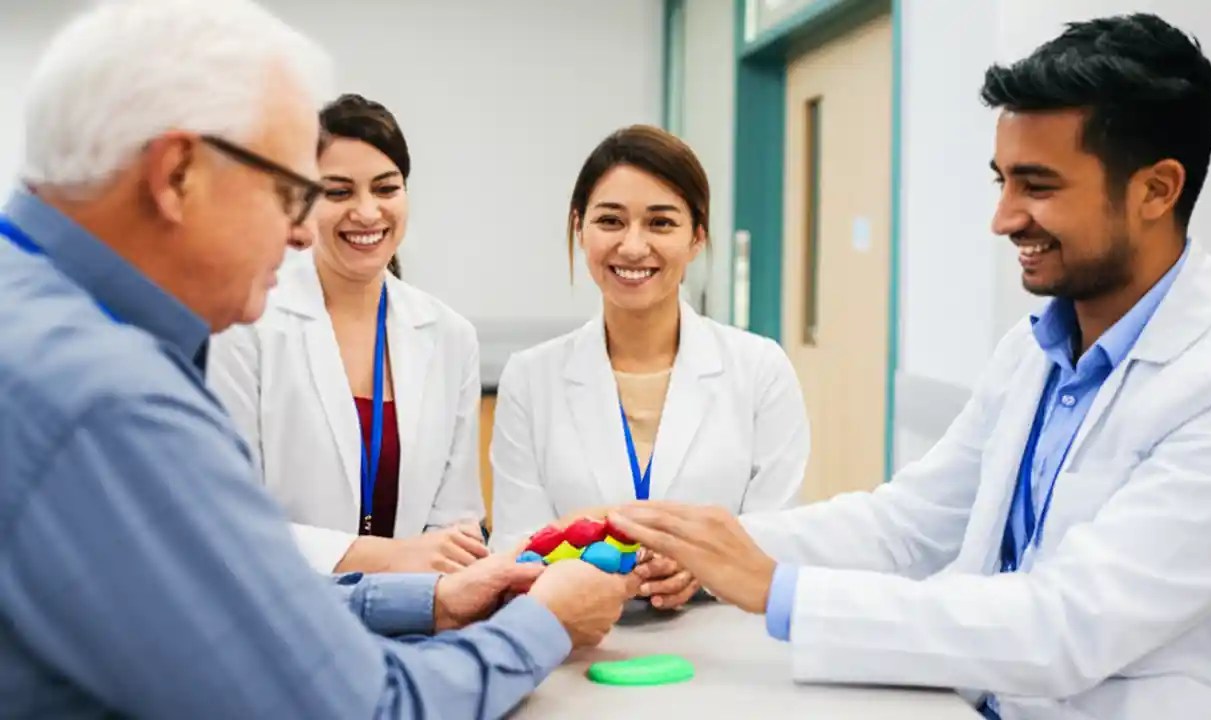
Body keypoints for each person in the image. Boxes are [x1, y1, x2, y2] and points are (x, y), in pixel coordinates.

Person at [608, 13, 1211, 720]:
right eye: (1003, 181)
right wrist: (704, 545)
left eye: (1038, 186)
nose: (1004, 217)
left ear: (1156, 191)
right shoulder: (1033, 353)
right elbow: (909, 526)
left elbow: (1065, 624)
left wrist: (777, 589)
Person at [0, 1, 635, 717]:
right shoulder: (105, 398)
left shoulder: (33, 318)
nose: (304, 233)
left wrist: (426, 599)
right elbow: (358, 708)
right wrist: (543, 623)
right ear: (177, 174)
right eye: (291, 192)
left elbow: (227, 599)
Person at [489, 125, 811, 609]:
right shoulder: (530, 379)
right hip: (571, 642)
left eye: (661, 223)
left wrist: (700, 569)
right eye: (611, 221)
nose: (634, 246)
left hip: (722, 645)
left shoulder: (760, 370)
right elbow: (515, 549)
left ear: (697, 236)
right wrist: (606, 572)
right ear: (580, 229)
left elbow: (779, 534)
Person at [209, 93, 487, 575]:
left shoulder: (449, 336)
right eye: (338, 192)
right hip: (283, 609)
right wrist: (389, 558)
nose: (367, 212)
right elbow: (230, 515)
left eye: (386, 188)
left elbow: (458, 521)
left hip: (420, 616)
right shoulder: (245, 325)